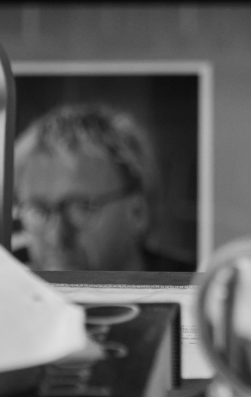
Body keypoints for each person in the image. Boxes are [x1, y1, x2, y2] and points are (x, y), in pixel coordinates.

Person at [13, 103, 191, 272]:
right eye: (38, 211)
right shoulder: (4, 281)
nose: (56, 237)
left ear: (138, 212)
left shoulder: (197, 288)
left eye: (81, 208)